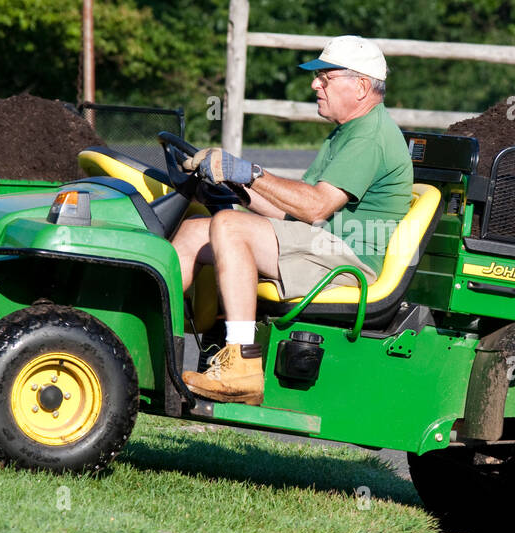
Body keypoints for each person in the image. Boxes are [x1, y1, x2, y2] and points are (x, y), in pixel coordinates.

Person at [172, 35, 414, 405]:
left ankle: (242, 364)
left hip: (349, 263)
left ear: (362, 86)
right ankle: (159, 346)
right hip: (323, 245)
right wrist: (233, 186)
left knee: (229, 226)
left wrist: (249, 172)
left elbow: (315, 208)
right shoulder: (348, 132)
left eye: (325, 78)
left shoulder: (371, 137)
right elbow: (291, 210)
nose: (315, 85)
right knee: (193, 232)